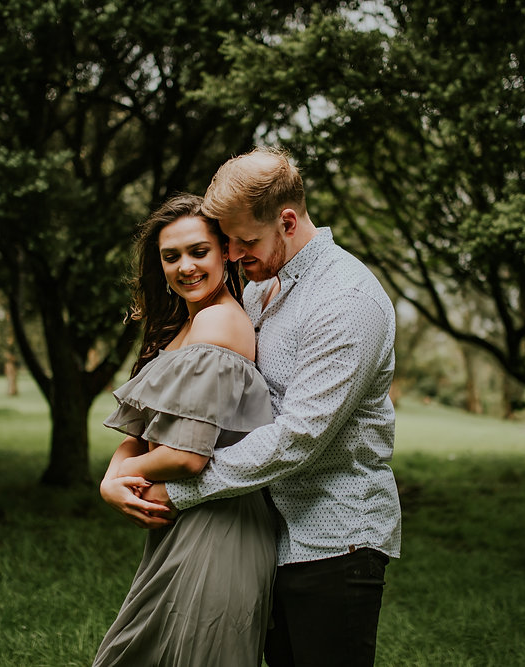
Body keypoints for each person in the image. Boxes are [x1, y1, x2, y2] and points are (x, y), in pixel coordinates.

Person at [103, 147, 403, 666]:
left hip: (333, 540)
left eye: (245, 240)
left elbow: (297, 438)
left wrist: (177, 487)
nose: (236, 255)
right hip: (269, 534)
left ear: (287, 221)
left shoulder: (347, 300)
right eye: (230, 242)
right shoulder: (264, 289)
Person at [92, 193, 277, 667]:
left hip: (221, 525)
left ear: (225, 252)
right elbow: (138, 433)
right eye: (170, 256)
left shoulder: (217, 321)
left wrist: (117, 481)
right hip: (183, 518)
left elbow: (186, 455)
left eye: (199, 251)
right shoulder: (182, 326)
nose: (185, 267)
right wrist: (113, 479)